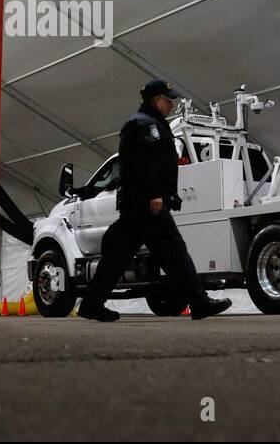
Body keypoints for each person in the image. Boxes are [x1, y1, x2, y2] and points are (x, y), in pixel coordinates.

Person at [78, 79, 232, 323]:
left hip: (141, 205)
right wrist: (155, 194)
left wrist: (170, 194)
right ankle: (199, 301)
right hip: (145, 204)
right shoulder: (143, 125)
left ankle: (91, 303)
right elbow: (143, 164)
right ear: (156, 100)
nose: (172, 105)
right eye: (169, 100)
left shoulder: (152, 124)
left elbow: (160, 164)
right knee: (174, 250)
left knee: (122, 254)